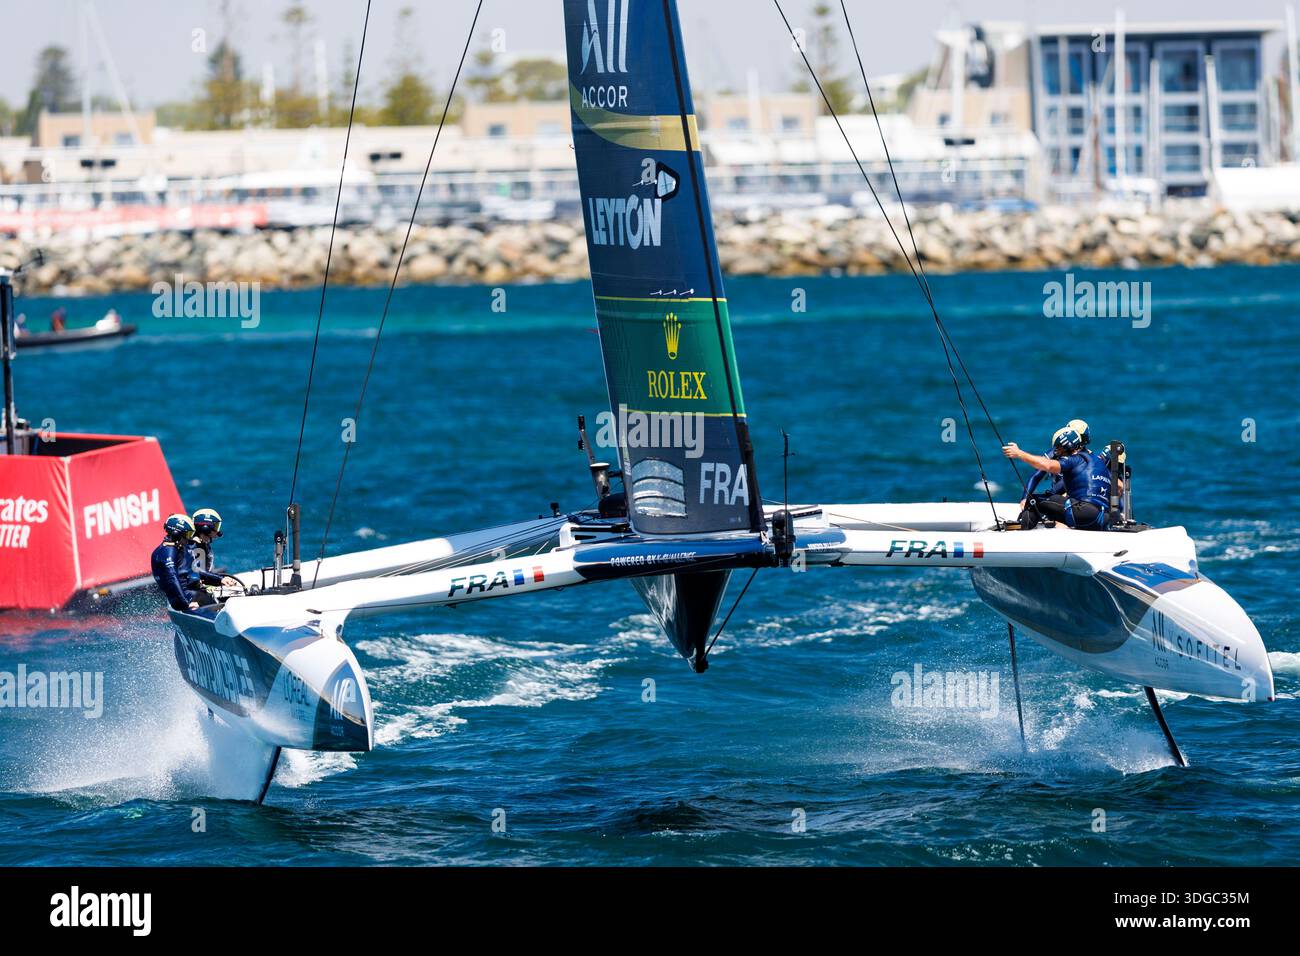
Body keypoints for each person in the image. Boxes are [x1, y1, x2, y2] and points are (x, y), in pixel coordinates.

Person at [1003, 425, 1111, 530]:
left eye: (1058, 448)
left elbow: (1048, 466)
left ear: (1067, 447)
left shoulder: (1073, 460)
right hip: (1104, 519)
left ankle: (1022, 526)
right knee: (1057, 502)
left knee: (1033, 500)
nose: (1056, 452)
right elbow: (1118, 486)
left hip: (1083, 514)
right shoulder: (1098, 461)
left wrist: (1019, 453)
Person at [150, 514, 204, 611]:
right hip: (184, 601)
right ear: (176, 534)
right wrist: (186, 603)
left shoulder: (169, 548)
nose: (189, 539)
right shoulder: (168, 552)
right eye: (187, 535)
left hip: (184, 596)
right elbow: (172, 578)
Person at [189, 508, 239, 605]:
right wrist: (220, 579)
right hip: (192, 593)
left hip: (198, 588)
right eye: (215, 527)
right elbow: (197, 571)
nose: (217, 531)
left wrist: (220, 580)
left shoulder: (203, 544)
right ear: (205, 528)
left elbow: (203, 574)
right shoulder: (195, 546)